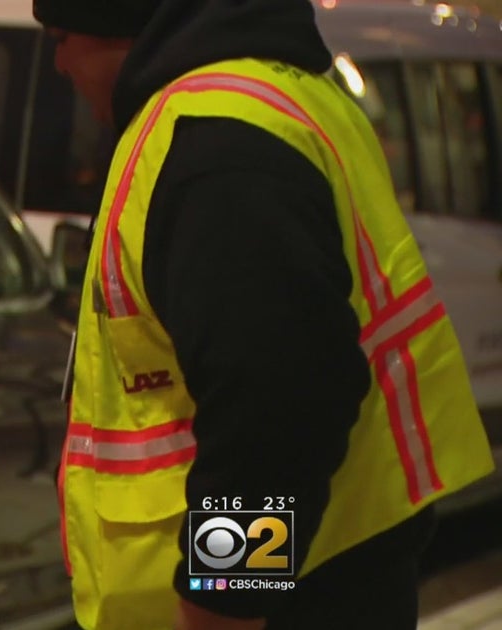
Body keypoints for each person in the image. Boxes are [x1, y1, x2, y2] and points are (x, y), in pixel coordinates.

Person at [36, 1, 497, 629]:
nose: (58, 62)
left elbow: (280, 407)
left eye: (64, 37)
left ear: (125, 27)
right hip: (336, 580)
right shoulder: (272, 99)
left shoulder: (212, 147)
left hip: (292, 607)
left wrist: (223, 601)